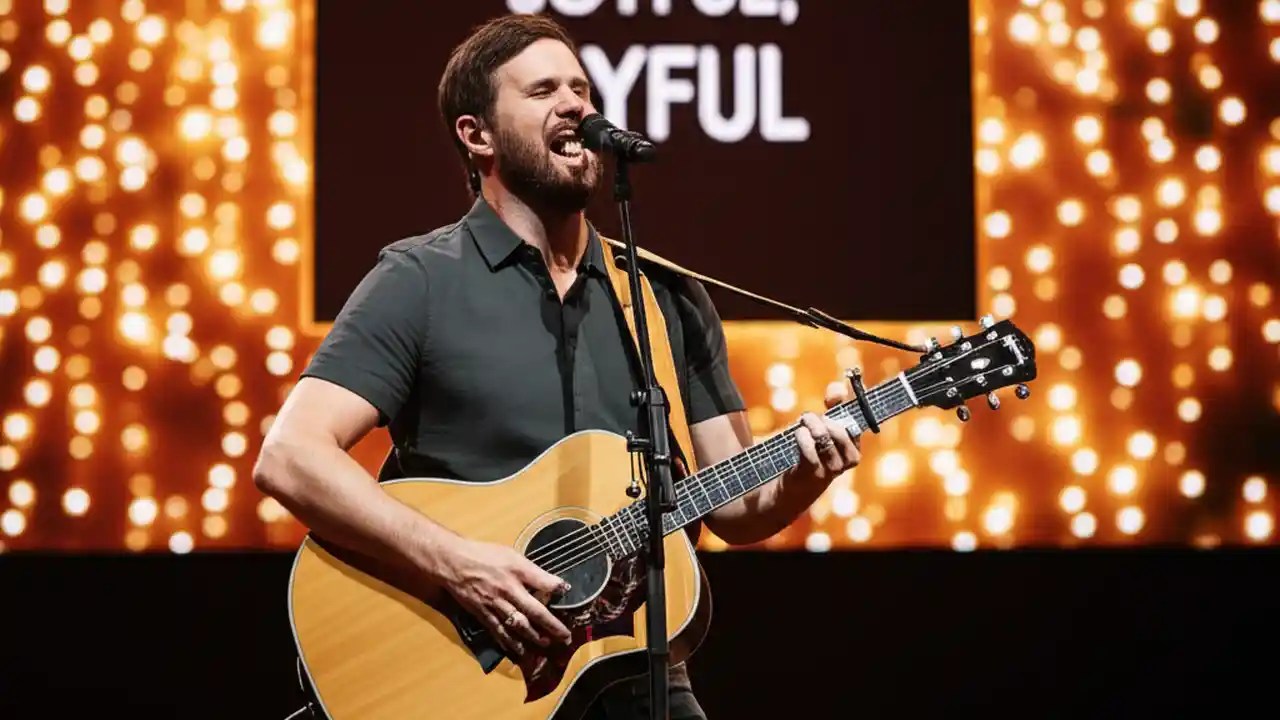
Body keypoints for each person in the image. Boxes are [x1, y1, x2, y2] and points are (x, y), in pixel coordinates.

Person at [252, 12, 862, 720]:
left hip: (635, 670)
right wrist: (460, 564)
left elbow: (735, 508)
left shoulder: (664, 297)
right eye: (543, 91)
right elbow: (290, 457)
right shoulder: (420, 280)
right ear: (476, 135)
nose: (577, 104)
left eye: (581, 88)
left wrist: (802, 477)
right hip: (468, 675)